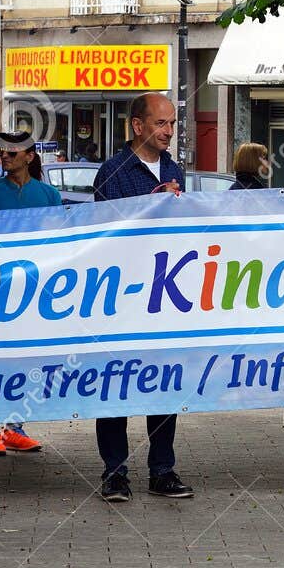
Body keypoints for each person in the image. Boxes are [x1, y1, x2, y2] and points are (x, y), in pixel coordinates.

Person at [90, 93, 193, 503]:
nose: (168, 131)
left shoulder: (175, 169)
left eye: (172, 124)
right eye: (161, 123)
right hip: (122, 295)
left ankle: (162, 469)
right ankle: (114, 472)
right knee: (115, 384)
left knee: (164, 384)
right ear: (137, 126)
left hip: (164, 294)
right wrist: (148, 208)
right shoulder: (112, 171)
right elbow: (99, 230)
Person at [0, 130, 61, 456]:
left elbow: (60, 244)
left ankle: (15, 429)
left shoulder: (49, 195)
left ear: (29, 156)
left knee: (27, 361)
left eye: (12, 153)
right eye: (1, 153)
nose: (5, 157)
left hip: (37, 290)